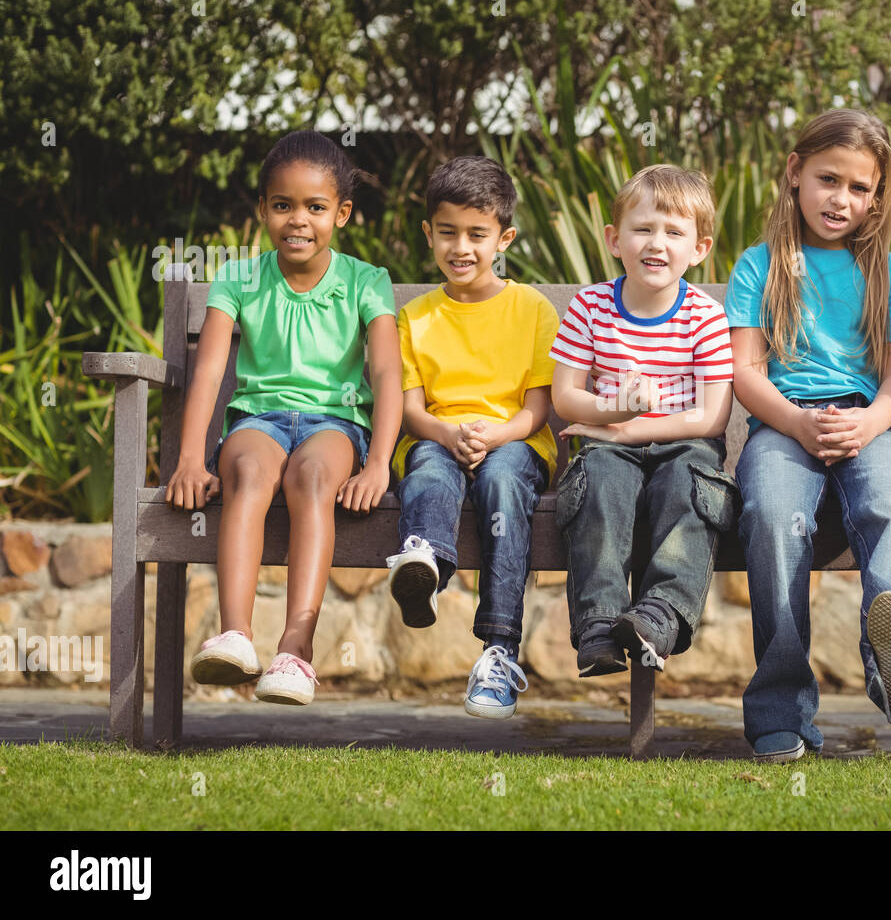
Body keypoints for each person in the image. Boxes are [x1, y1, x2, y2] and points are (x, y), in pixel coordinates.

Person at [726, 109, 891, 763]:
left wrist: (872, 422)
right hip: (785, 425)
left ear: (876, 198)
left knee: (889, 505)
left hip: (869, 424)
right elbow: (745, 370)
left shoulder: (886, 273)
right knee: (771, 515)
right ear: (794, 174)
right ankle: (779, 710)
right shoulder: (759, 267)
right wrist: (793, 422)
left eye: (859, 188)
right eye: (827, 179)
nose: (840, 199)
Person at [166, 131, 402, 706]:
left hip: (335, 425)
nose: (298, 220)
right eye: (282, 205)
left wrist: (378, 465)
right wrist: (192, 458)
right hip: (258, 421)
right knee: (247, 474)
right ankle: (236, 636)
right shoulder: (239, 280)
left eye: (316, 208)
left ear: (342, 213)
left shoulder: (367, 282)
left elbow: (389, 376)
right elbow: (208, 374)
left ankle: (296, 649)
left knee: (314, 478)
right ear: (263, 210)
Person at [384, 156, 559, 720]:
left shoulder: (531, 308)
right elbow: (412, 411)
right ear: (428, 234)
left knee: (505, 480)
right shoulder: (414, 317)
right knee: (429, 467)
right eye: (448, 233)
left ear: (503, 238)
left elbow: (539, 408)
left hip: (515, 443)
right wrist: (448, 430)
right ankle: (425, 564)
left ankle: (499, 652)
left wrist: (497, 434)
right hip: (438, 436)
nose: (461, 247)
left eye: (477, 235)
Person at [550, 164, 737, 678]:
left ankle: (660, 615)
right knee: (601, 483)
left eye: (674, 232)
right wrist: (614, 412)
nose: (657, 243)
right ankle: (600, 626)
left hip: (684, 445)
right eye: (643, 229)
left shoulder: (703, 316)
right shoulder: (590, 307)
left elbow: (713, 415)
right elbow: (566, 397)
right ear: (615, 239)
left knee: (688, 490)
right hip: (611, 444)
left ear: (699, 248)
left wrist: (635, 426)